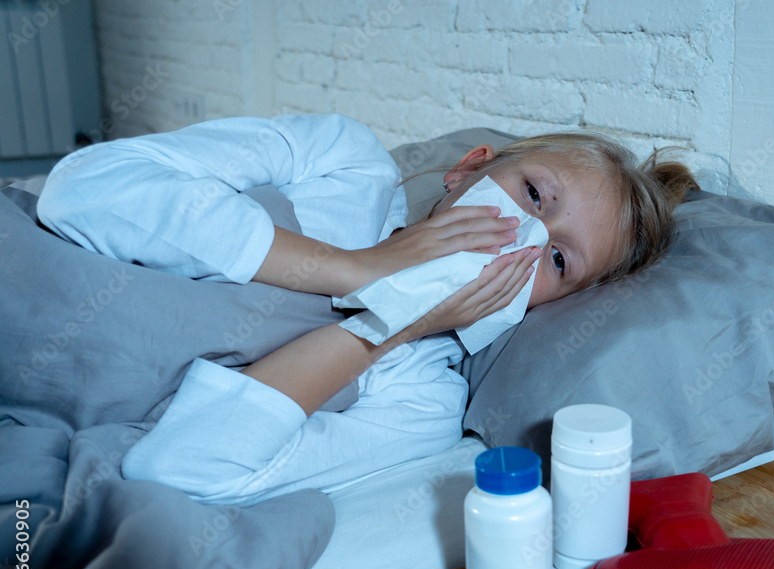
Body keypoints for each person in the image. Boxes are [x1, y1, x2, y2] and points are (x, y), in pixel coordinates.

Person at [37, 114, 697, 504]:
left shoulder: (423, 403)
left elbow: (176, 470)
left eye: (558, 260)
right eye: (532, 194)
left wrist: (392, 327)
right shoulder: (346, 164)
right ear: (468, 170)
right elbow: (79, 191)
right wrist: (356, 267)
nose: (523, 235)